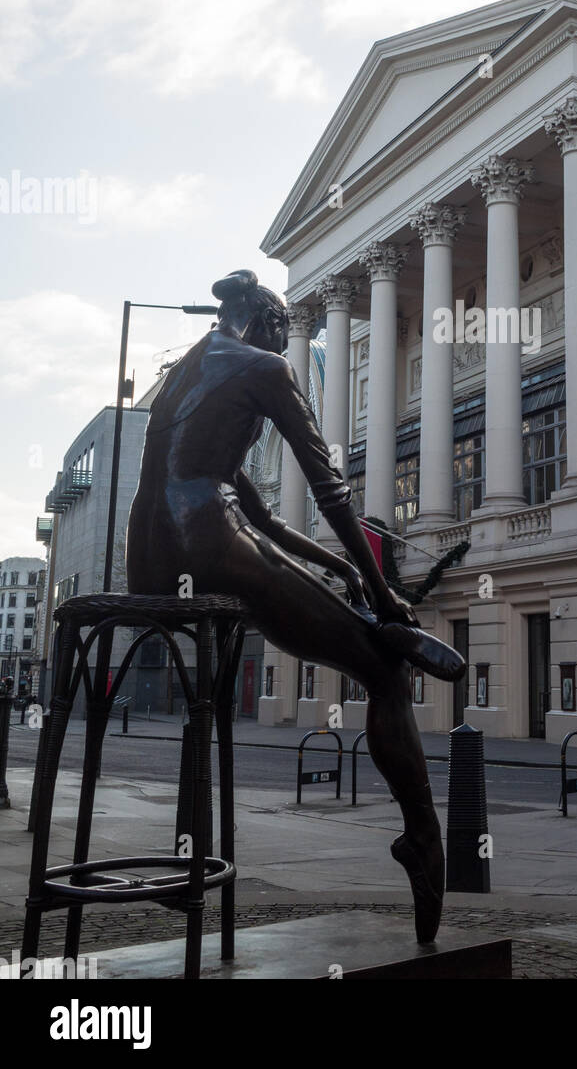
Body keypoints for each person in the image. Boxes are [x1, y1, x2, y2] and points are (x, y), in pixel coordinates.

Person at [126, 269, 464, 943]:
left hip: (153, 557)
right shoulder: (266, 368)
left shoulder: (188, 374)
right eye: (286, 331)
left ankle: (380, 625)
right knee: (381, 672)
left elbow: (265, 517)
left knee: (319, 623)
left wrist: (345, 571)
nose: (287, 343)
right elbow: (330, 490)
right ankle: (421, 839)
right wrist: (378, 585)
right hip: (207, 538)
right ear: (272, 322)